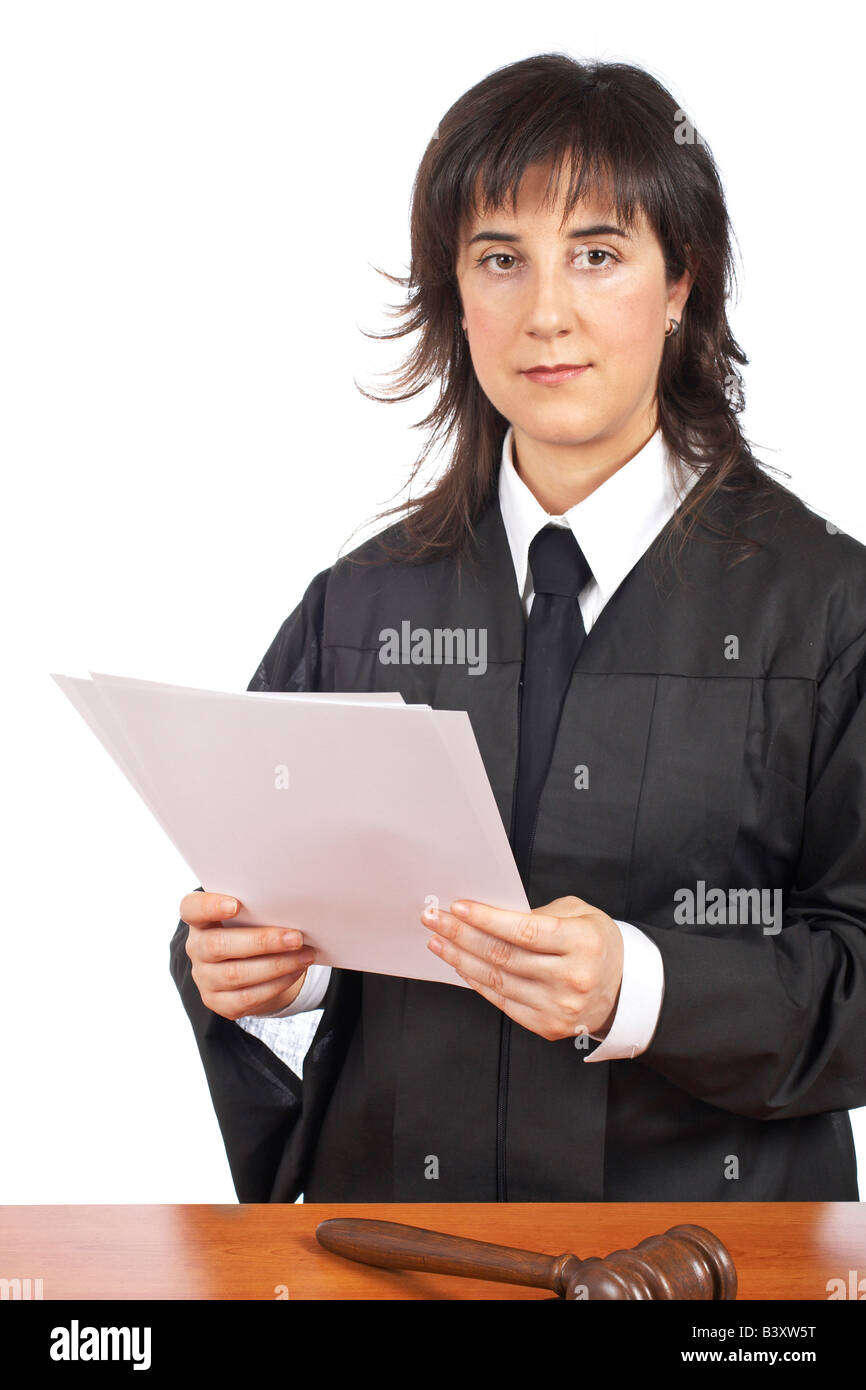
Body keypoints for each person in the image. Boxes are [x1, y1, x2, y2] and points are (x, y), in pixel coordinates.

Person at [171, 53, 866, 1203]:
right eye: (501, 259)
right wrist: (258, 974)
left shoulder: (827, 610)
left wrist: (635, 989)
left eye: (596, 254)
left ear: (681, 278)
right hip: (396, 1259)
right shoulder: (357, 608)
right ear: (455, 290)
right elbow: (252, 894)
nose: (546, 312)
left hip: (701, 1275)